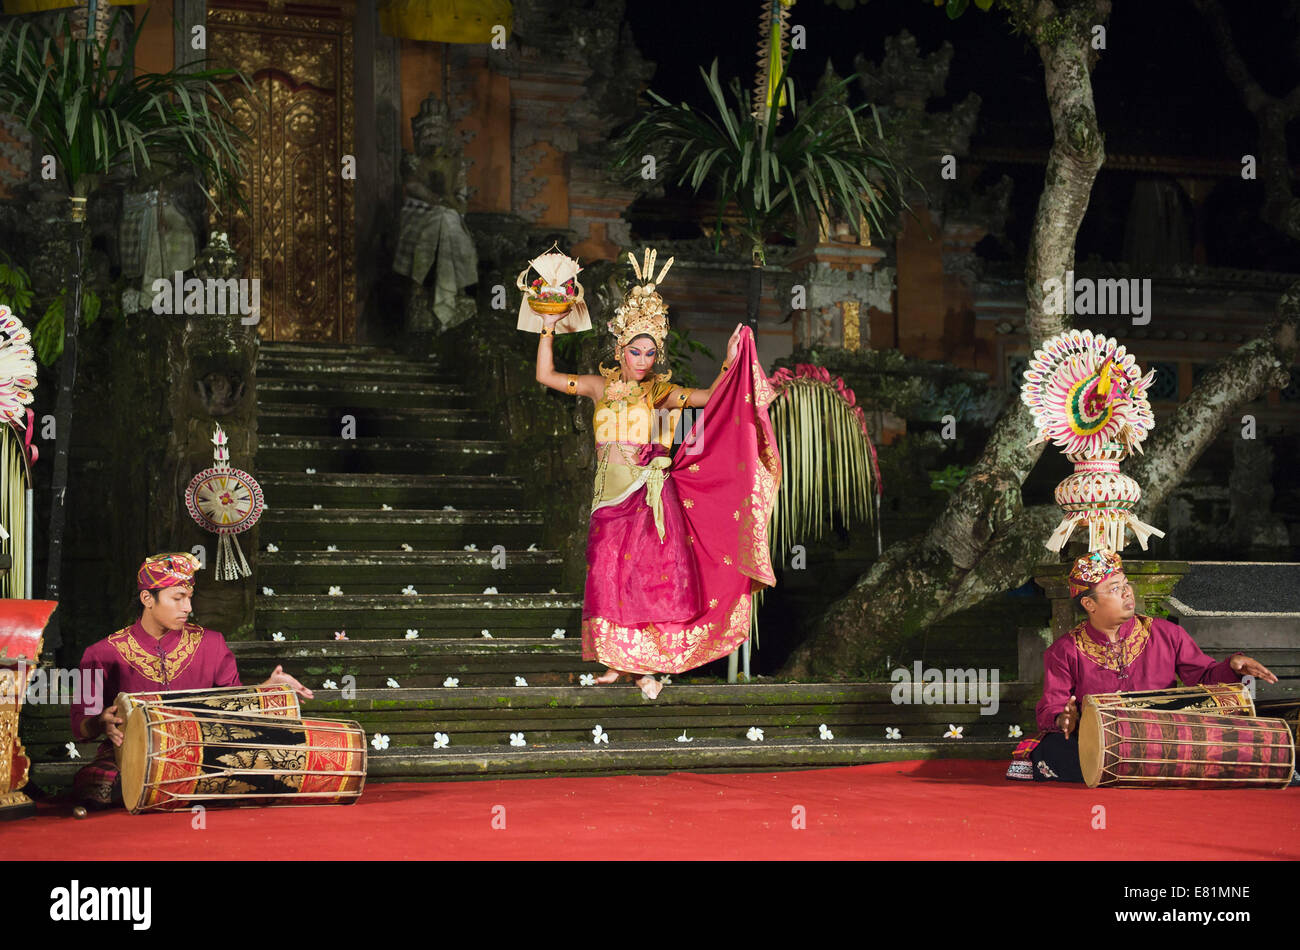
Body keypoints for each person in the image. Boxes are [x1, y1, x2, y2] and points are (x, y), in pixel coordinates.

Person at [533, 248, 781, 700]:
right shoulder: (597, 387)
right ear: (619, 350)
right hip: (608, 496)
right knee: (606, 570)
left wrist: (730, 360)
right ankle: (613, 663)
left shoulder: (662, 394)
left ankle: (648, 666)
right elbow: (546, 375)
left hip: (648, 495)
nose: (643, 360)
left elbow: (712, 398)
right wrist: (547, 328)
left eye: (650, 352)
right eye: (635, 351)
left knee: (649, 576)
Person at [1007, 550, 1277, 781]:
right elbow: (1052, 706)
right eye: (1114, 589)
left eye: (1125, 584)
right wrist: (1063, 719)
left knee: (1234, 738)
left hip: (1166, 735)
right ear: (1090, 603)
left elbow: (1204, 677)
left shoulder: (1166, 634)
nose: (1126, 592)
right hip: (1104, 741)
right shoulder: (1065, 650)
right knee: (1052, 750)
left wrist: (1231, 666)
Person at [69, 552, 313, 806]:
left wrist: (267, 689)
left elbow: (234, 703)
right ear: (147, 598)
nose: (188, 608)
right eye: (177, 598)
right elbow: (80, 726)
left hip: (204, 751)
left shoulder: (212, 644)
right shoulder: (100, 653)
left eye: (189, 598)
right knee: (97, 782)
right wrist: (100, 722)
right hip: (132, 754)